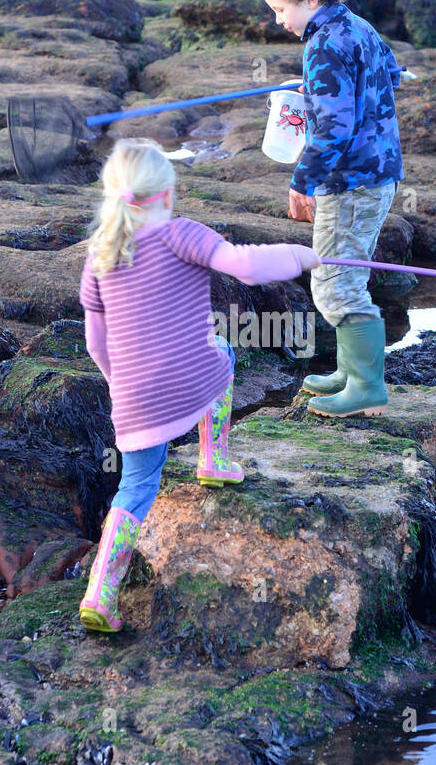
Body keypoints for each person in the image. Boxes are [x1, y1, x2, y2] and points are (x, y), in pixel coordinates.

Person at [77, 139, 319, 631]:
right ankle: (215, 458)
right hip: (194, 378)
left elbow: (94, 344)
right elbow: (248, 266)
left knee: (137, 487)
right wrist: (304, 255)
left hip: (134, 400)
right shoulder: (180, 234)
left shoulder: (99, 257)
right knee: (225, 352)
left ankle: (101, 593)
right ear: (167, 195)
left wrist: (116, 383)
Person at [251, 0, 403, 419]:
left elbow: (334, 127)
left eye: (280, 9)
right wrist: (316, 89)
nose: (278, 20)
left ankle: (366, 388)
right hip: (380, 173)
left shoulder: (322, 45)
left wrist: (302, 181)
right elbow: (391, 74)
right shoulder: (356, 26)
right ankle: (348, 370)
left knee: (336, 283)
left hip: (351, 180)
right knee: (344, 273)